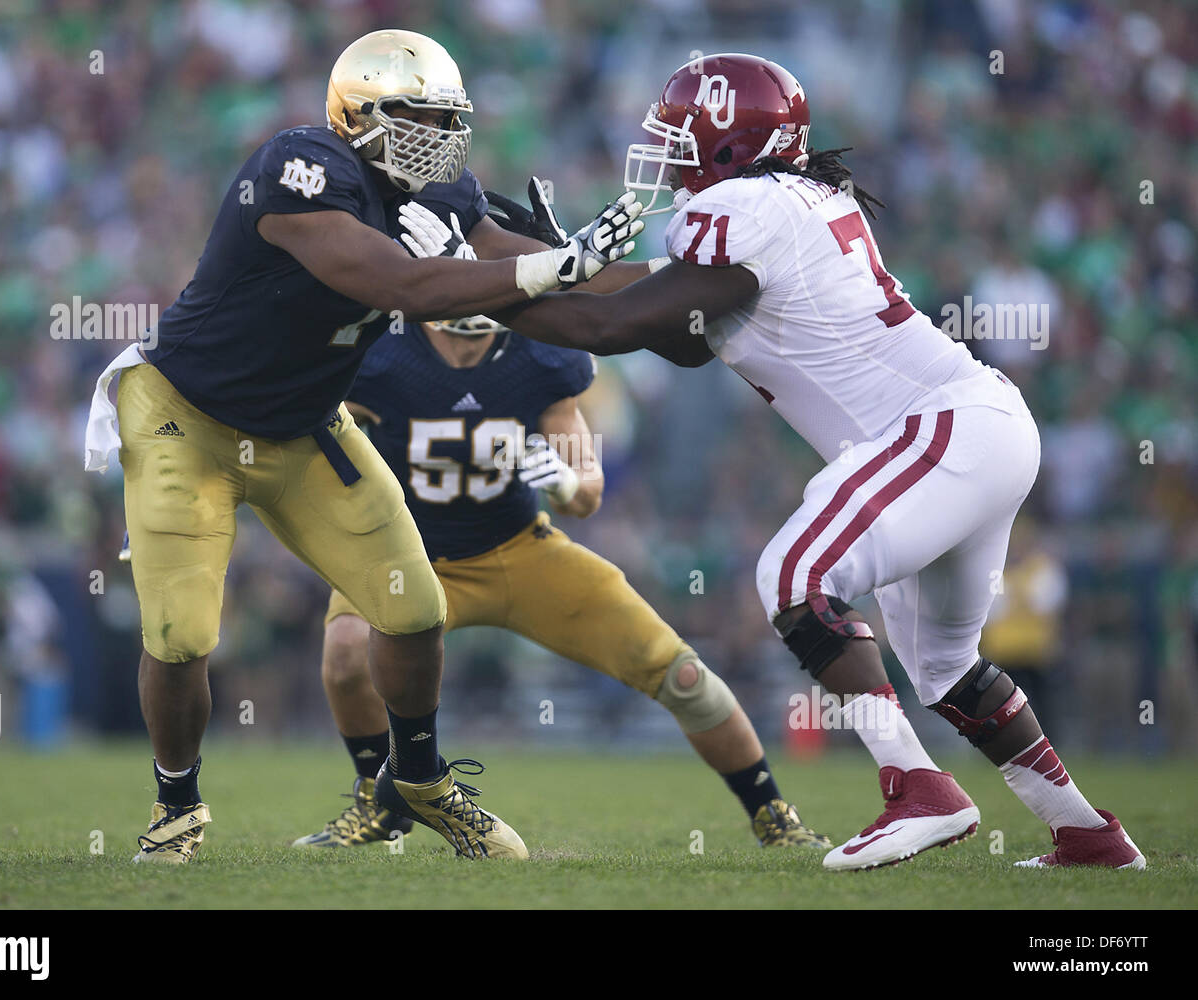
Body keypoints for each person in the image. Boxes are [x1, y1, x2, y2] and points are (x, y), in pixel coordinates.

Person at [415, 53, 1144, 871]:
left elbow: (609, 326)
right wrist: (486, 238)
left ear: (727, 143)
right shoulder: (784, 203)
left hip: (939, 430)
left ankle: (920, 789)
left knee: (793, 574)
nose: (666, 150)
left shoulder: (742, 209)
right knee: (944, 668)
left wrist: (462, 282)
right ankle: (1088, 833)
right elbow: (661, 323)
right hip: (971, 431)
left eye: (679, 133)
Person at [82, 28, 642, 862]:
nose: (440, 136)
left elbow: (534, 273)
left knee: (415, 610)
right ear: (361, 113)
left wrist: (645, 277)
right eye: (417, 115)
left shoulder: (440, 191)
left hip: (303, 421)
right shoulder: (299, 167)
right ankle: (177, 805)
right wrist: (551, 268)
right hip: (184, 418)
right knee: (183, 634)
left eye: (448, 117)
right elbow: (402, 284)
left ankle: (417, 778)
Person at [290, 239, 828, 851]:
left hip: (518, 551)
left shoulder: (538, 353)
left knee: (681, 676)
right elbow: (321, 431)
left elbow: (587, 492)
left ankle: (772, 814)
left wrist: (566, 480)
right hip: (407, 554)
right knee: (343, 651)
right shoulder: (384, 352)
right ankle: (379, 806)